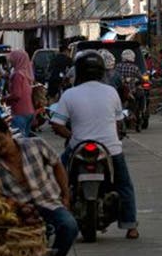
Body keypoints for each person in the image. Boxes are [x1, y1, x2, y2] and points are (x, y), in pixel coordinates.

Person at [50, 51, 139, 238]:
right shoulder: (111, 92)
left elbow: (56, 124)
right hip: (110, 149)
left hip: (77, 147)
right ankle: (131, 226)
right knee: (124, 185)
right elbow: (117, 122)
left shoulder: (69, 94)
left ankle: (53, 222)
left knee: (55, 179)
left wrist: (72, 135)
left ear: (79, 71)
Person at [0, 116, 76, 256]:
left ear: (9, 134)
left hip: (48, 201)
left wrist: (65, 196)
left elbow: (57, 164)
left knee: (69, 226)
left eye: (0, 139)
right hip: (20, 211)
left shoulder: (35, 145)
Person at [5, 48, 37, 136]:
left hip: (20, 112)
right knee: (25, 140)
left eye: (12, 60)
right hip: (29, 111)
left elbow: (16, 94)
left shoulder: (17, 75)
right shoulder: (27, 74)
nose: (11, 62)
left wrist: (6, 98)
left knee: (19, 141)